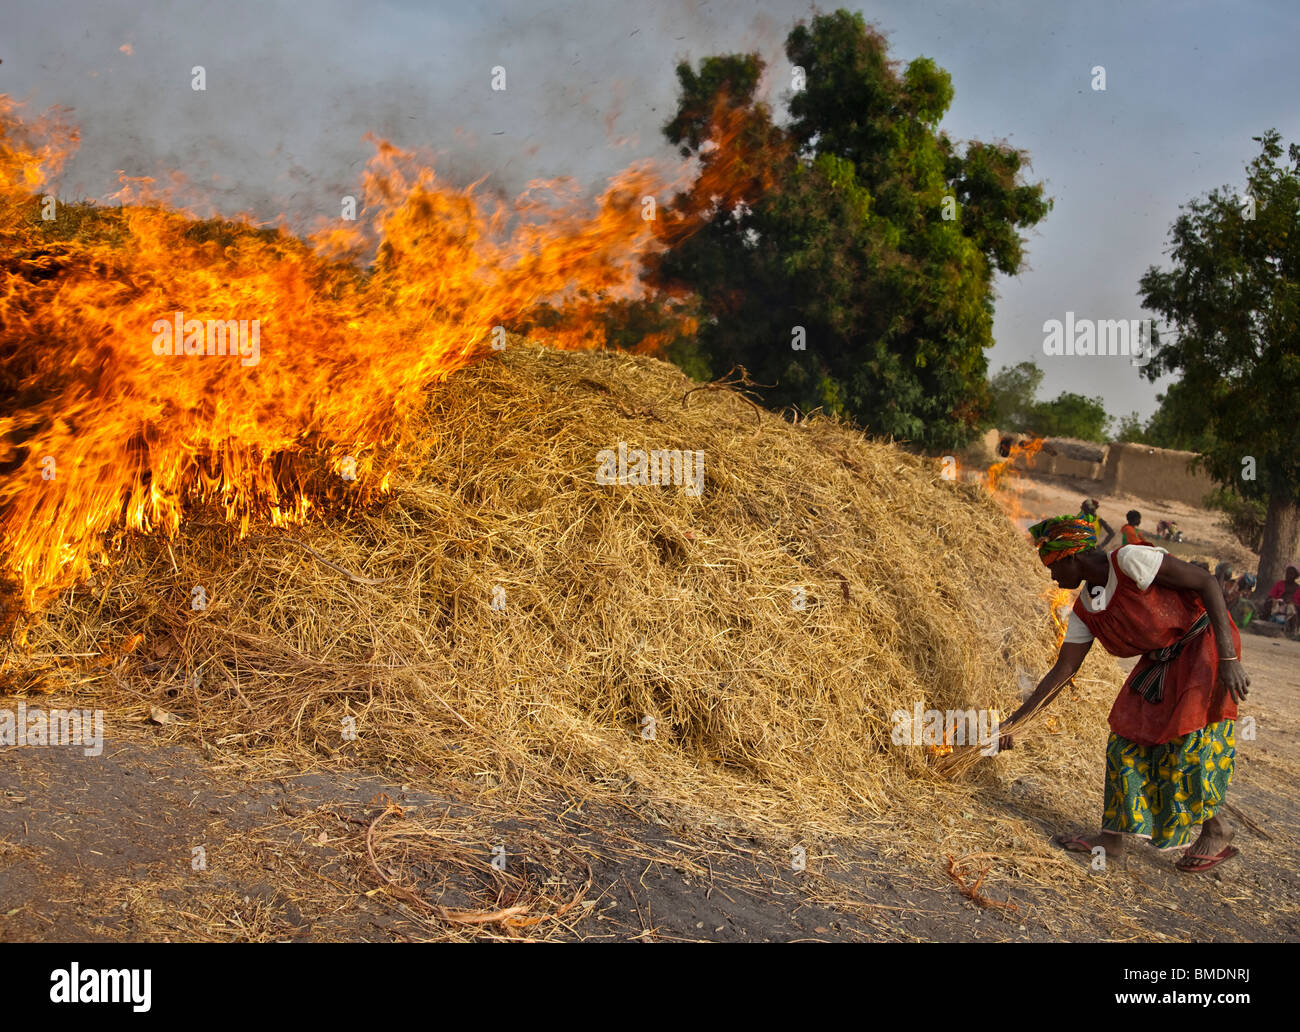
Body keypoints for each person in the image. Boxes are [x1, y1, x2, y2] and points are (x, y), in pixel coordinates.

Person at [1003, 514, 1250, 872]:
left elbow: (1207, 583)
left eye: (1053, 566)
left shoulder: (1132, 560)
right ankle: (1111, 838)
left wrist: (1228, 658)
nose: (1052, 577)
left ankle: (1217, 829)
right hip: (1163, 660)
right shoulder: (1085, 610)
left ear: (1073, 556)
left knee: (1188, 739)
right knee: (1125, 739)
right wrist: (1014, 723)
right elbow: (1064, 670)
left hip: (1204, 643)